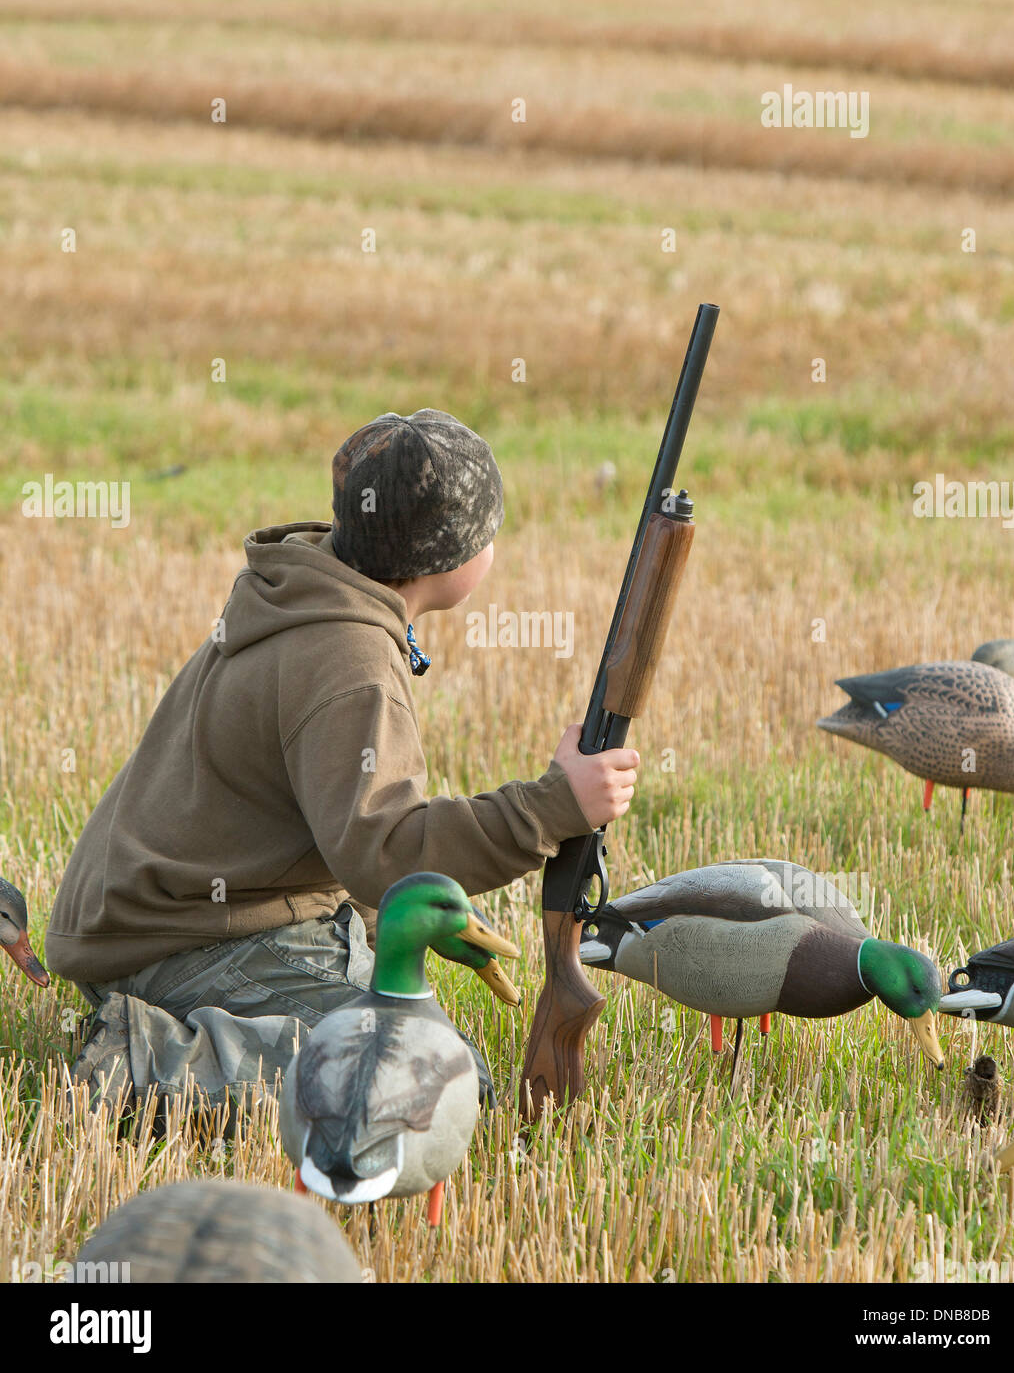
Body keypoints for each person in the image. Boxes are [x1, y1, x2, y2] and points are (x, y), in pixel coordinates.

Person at [47, 409, 640, 1114]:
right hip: (181, 942)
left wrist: (396, 920)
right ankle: (145, 1063)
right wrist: (554, 806)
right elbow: (384, 847)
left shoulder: (307, 589)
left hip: (167, 918)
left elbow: (335, 825)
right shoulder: (346, 656)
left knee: (409, 1040)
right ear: (451, 558)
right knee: (435, 1079)